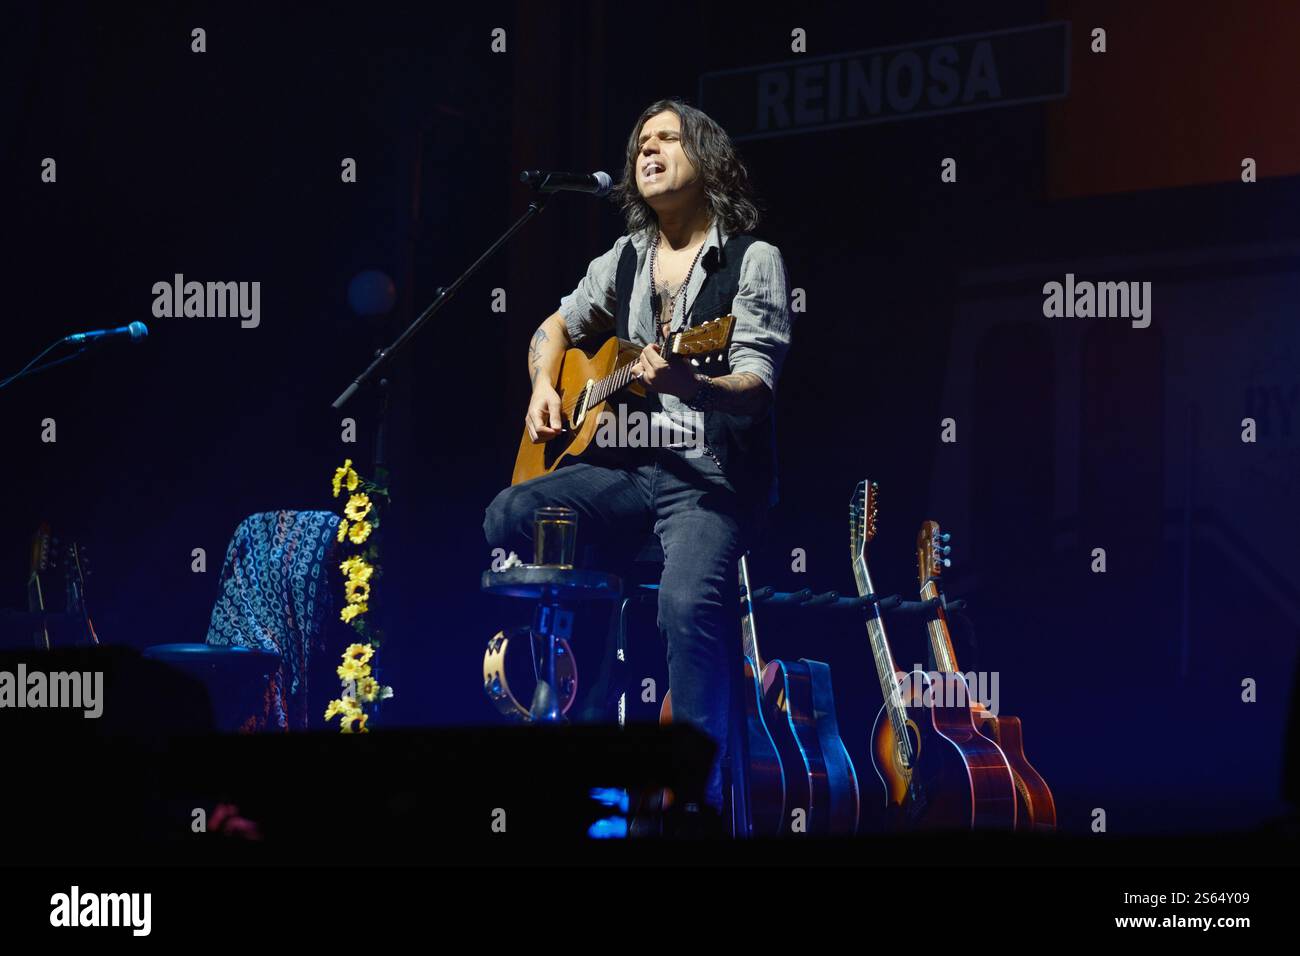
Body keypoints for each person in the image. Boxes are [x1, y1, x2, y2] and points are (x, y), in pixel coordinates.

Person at [483, 98, 792, 822]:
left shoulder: (754, 260)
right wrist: (541, 391)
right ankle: (580, 704)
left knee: (685, 607)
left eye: (667, 139)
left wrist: (695, 383)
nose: (648, 151)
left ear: (706, 158)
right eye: (640, 143)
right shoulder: (623, 258)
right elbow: (553, 328)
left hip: (707, 473)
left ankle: (694, 803)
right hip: (625, 469)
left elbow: (756, 387)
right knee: (511, 511)